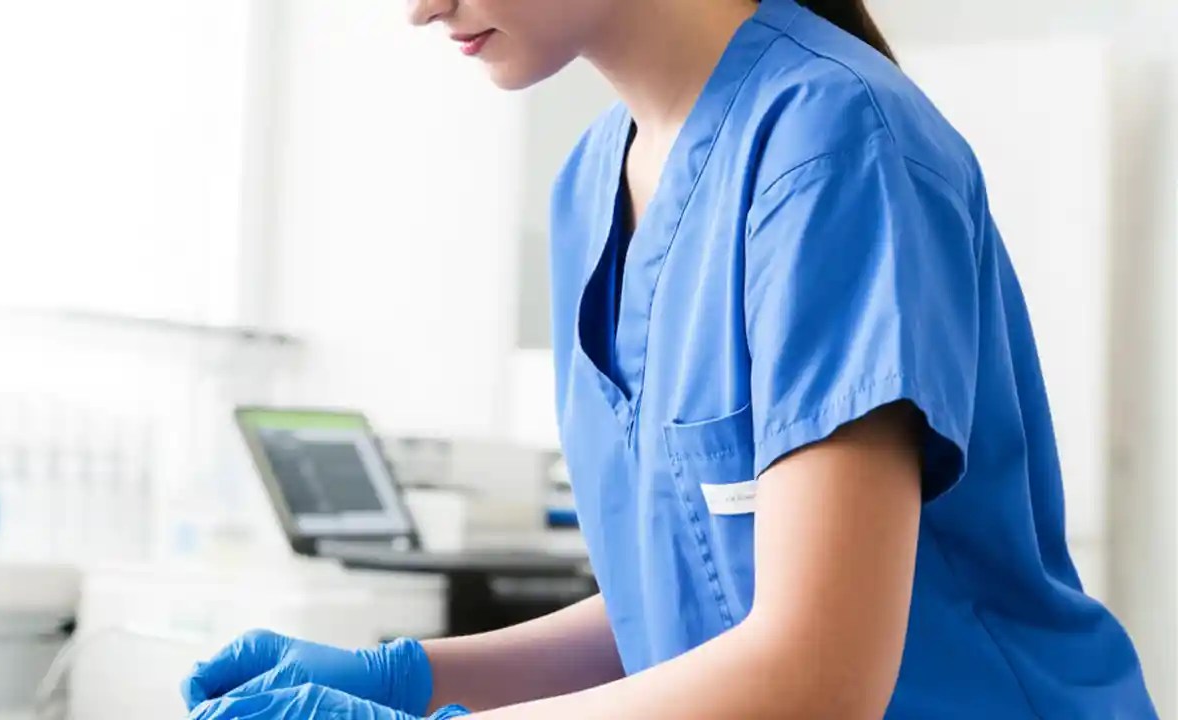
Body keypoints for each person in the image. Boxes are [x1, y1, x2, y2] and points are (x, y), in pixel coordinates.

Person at [182, 0, 1158, 717]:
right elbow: (688, 607)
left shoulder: (832, 146)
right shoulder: (591, 182)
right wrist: (422, 675)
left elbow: (816, 675)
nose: (419, 5)